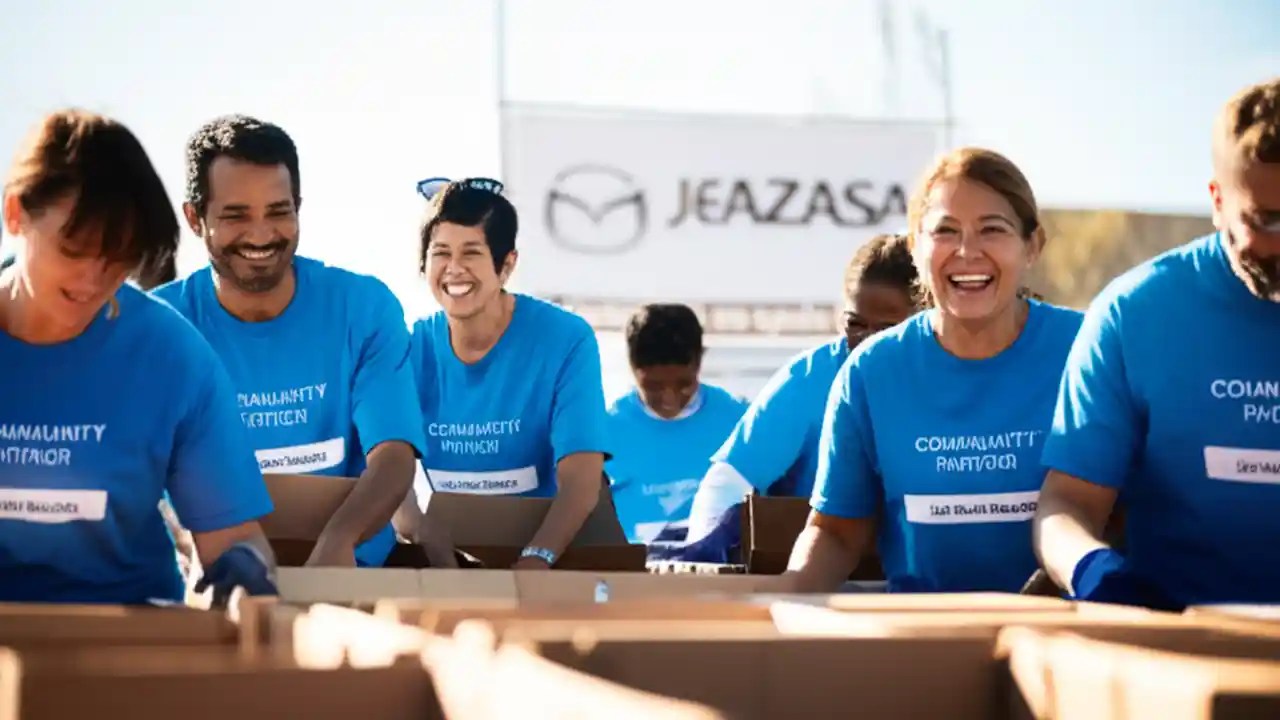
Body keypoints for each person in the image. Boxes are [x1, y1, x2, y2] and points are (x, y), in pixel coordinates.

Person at [0, 109, 276, 604]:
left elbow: (235, 537)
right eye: (74, 249)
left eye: (118, 257)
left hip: (130, 630)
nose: (92, 280)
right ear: (15, 214)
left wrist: (244, 569)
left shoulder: (172, 357)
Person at [783, 147, 1084, 593]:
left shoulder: (1087, 351)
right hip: (921, 628)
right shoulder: (870, 373)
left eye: (992, 229)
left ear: (1032, 246)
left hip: (1069, 629)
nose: (967, 252)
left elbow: (1124, 513)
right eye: (945, 231)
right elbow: (836, 532)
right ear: (915, 249)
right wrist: (785, 599)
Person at [1034, 77, 1280, 609]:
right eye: (1268, 221)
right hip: (1178, 638)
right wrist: (1092, 569)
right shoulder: (1135, 314)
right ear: (1217, 201)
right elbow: (1067, 504)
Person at [153, 115, 424, 568]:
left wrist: (339, 540)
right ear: (195, 218)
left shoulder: (363, 307)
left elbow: (394, 456)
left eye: (278, 212)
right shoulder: (160, 327)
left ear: (298, 206)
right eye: (236, 216)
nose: (261, 235)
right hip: (213, 577)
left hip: (354, 575)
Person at [405, 178, 609, 570]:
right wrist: (419, 530)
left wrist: (538, 557)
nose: (454, 269)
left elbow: (582, 481)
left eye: (471, 253)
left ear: (507, 265)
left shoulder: (566, 339)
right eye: (441, 253)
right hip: (450, 561)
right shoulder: (410, 348)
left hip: (553, 555)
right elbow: (382, 465)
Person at [680, 233, 920, 560]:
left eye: (886, 329)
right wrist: (705, 566)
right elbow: (727, 483)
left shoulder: (955, 373)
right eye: (855, 323)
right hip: (819, 571)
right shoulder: (809, 378)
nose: (866, 341)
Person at [605, 303, 748, 546]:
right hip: (630, 567)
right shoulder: (602, 431)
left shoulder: (741, 422)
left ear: (699, 363)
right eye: (653, 387)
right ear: (632, 367)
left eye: (684, 385)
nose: (669, 400)